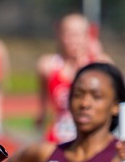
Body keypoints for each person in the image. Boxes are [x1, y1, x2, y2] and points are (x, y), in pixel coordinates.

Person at [37, 12, 100, 144]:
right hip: (59, 138)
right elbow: (42, 109)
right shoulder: (48, 65)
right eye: (69, 34)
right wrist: (41, 118)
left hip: (90, 140)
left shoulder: (99, 65)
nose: (73, 40)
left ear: (87, 36)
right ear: (60, 35)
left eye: (78, 34)